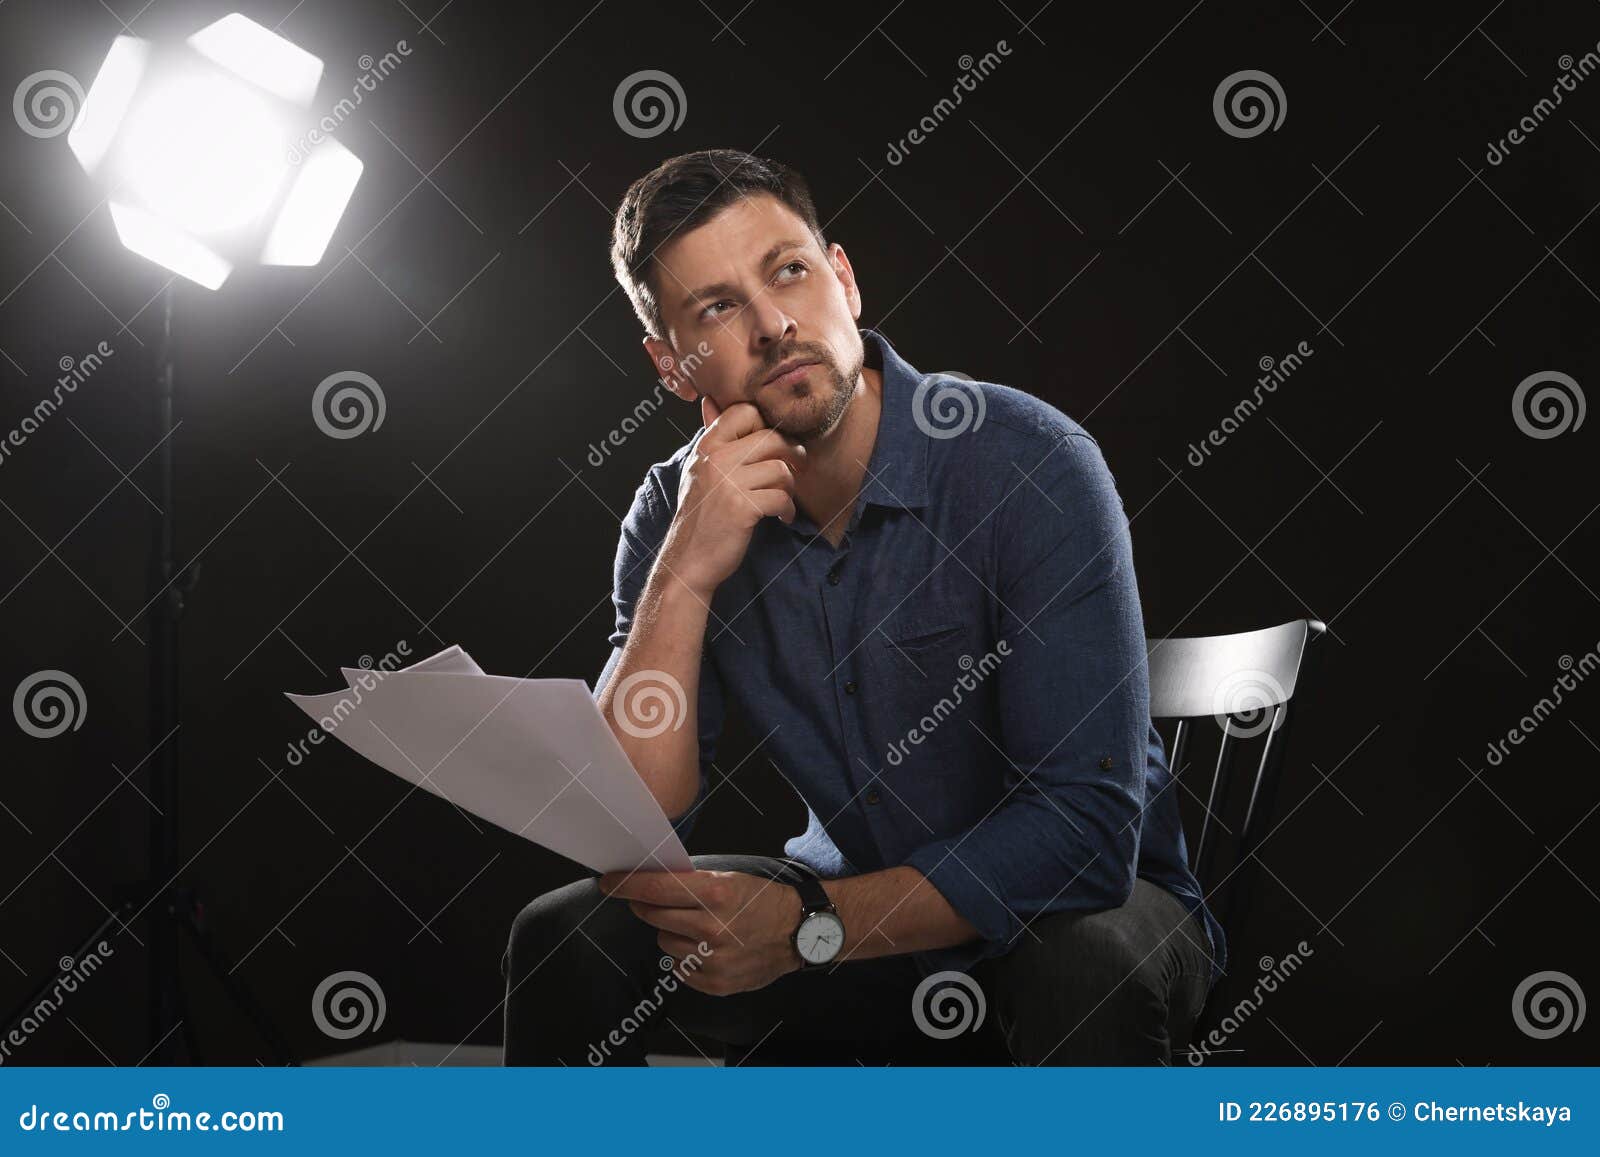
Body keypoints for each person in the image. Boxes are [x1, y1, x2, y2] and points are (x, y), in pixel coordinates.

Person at [502, 148, 1222, 1065]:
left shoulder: (1028, 460)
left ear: (843, 279)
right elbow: (627, 832)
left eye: (789, 272)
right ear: (672, 367)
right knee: (564, 936)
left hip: (1082, 910)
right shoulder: (674, 513)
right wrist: (681, 578)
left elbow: (1084, 830)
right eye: (716, 308)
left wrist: (812, 925)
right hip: (841, 908)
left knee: (1083, 962)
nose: (773, 325)